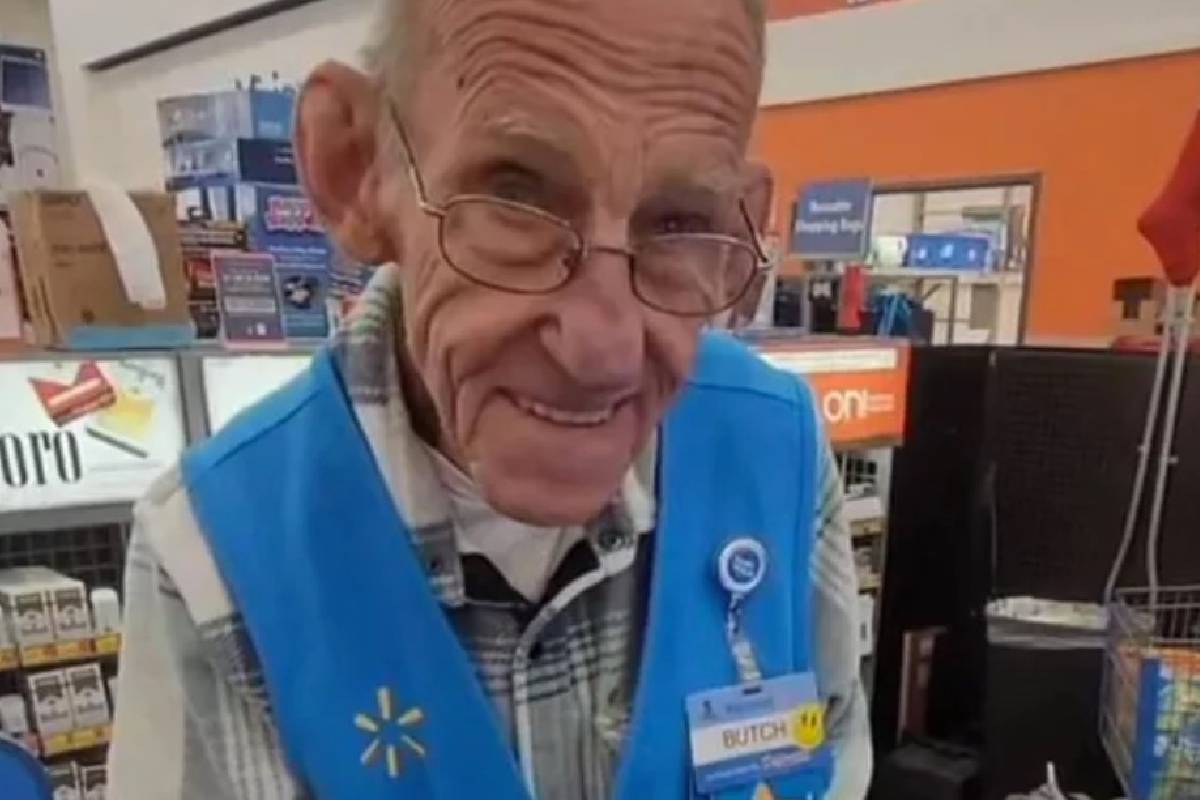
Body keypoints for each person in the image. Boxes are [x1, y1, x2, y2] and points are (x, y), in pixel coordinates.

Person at [107, 0, 872, 797]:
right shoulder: (216, 558)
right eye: (518, 196)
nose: (604, 348)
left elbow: (822, 761)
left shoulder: (777, 451)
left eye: (679, 220)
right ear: (355, 170)